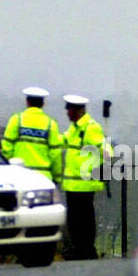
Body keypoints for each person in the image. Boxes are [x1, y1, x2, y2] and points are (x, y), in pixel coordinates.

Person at [59, 94, 109, 260]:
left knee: (84, 220)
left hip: (84, 184)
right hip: (73, 185)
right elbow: (63, 140)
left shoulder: (90, 128)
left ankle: (86, 250)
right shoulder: (75, 128)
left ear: (78, 111)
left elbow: (105, 149)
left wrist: (102, 163)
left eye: (70, 110)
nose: (67, 113)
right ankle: (79, 249)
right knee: (74, 220)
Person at [1, 87, 62, 182]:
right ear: (43, 104)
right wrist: (57, 176)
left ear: (27, 102)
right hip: (43, 177)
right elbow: (55, 154)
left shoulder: (17, 119)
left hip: (19, 175)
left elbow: (6, 148)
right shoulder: (51, 124)